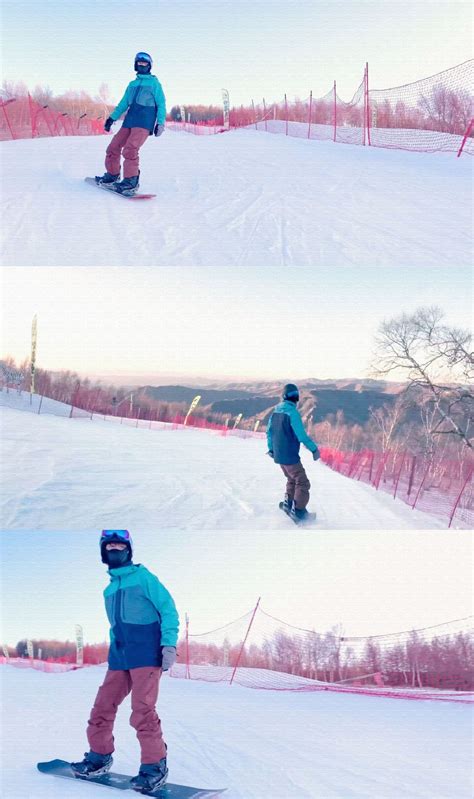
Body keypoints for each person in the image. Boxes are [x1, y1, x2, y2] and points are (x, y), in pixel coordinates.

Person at [71, 530, 179, 794]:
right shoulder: (108, 589)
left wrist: (169, 644)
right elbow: (115, 627)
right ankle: (99, 756)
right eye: (110, 546)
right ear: (103, 552)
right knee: (102, 707)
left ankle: (155, 766)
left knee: (142, 710)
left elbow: (168, 609)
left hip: (146, 653)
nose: (115, 550)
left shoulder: (144, 577)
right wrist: (113, 650)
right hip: (120, 657)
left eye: (120, 546)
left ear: (129, 550)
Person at [96, 52, 166, 195]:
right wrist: (111, 118)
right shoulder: (132, 84)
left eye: (144, 63)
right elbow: (123, 104)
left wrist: (160, 123)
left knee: (130, 149)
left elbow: (161, 104)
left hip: (144, 122)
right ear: (135, 65)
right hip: (129, 121)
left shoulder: (154, 84)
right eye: (139, 63)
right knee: (113, 147)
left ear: (149, 66)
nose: (142, 65)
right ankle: (112, 175)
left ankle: (131, 181)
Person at [266, 384, 320, 521]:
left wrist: (271, 449)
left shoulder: (275, 412)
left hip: (279, 455)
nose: (295, 398)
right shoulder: (292, 413)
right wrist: (314, 449)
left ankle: (288, 504)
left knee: (291, 478)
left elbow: (269, 432)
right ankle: (299, 511)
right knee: (302, 482)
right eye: (294, 395)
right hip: (289, 455)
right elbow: (301, 436)